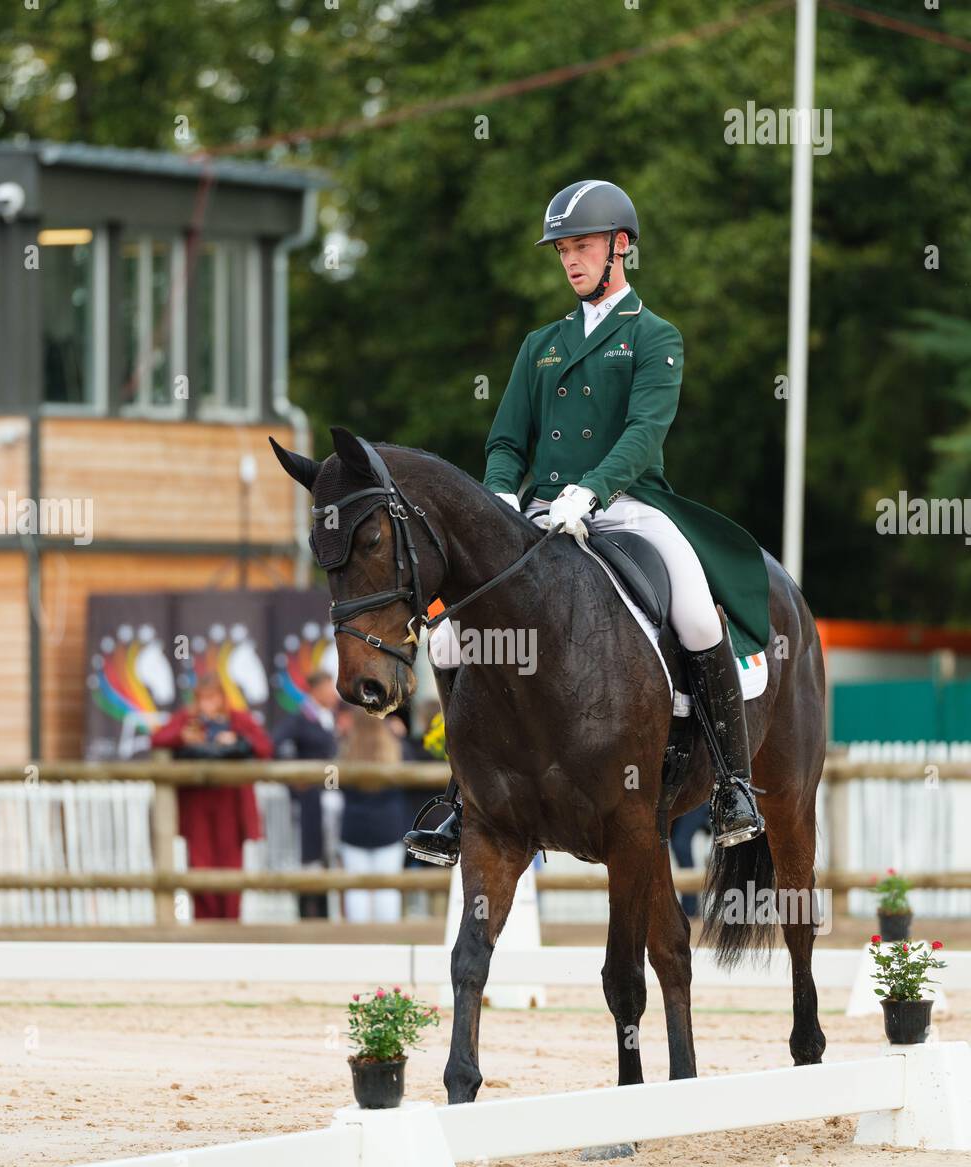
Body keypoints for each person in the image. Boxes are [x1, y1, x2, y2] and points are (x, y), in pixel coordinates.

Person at [405, 179, 769, 868]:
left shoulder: (653, 337)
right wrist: (499, 501)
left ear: (620, 247)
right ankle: (462, 796)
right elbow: (508, 440)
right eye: (563, 250)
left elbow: (643, 432)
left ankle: (731, 785)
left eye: (581, 247)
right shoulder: (541, 344)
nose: (570, 261)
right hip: (541, 513)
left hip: (629, 506)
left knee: (694, 614)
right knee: (452, 638)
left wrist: (591, 491)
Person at [150, 673, 273, 919]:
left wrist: (237, 740)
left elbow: (264, 746)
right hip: (197, 804)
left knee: (231, 867)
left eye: (212, 698)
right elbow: (158, 738)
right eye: (203, 699)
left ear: (222, 699)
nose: (208, 704)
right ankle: (204, 925)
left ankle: (231, 925)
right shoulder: (188, 719)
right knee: (200, 864)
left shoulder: (237, 719)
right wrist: (183, 737)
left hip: (230, 803)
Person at [272, 670, 341, 919]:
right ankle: (308, 913)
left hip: (334, 793)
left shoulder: (334, 716)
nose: (333, 694)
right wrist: (294, 780)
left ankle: (327, 912)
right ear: (315, 691)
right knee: (310, 854)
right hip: (311, 798)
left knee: (329, 854)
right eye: (327, 688)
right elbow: (276, 745)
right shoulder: (301, 718)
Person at [338, 707, 413, 923]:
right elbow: (410, 778)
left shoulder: (344, 749)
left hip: (354, 826)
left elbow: (330, 783)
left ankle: (358, 943)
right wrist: (401, 737)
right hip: (388, 825)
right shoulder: (397, 748)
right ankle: (387, 944)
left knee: (356, 890)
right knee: (388, 889)